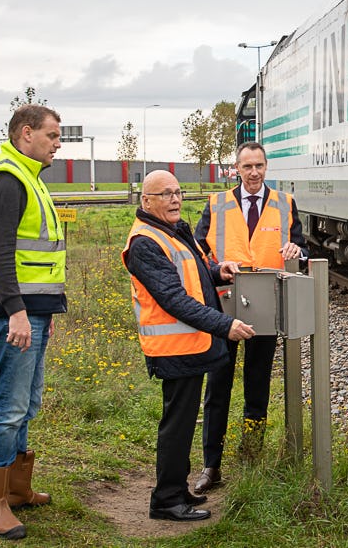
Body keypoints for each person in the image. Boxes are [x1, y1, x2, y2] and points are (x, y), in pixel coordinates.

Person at [123, 170, 255, 521]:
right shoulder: (145, 242)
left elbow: (192, 275)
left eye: (178, 192)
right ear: (146, 201)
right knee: (177, 424)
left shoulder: (171, 231)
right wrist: (226, 325)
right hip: (173, 348)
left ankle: (177, 490)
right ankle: (166, 500)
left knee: (181, 421)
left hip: (189, 344)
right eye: (165, 194)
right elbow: (173, 299)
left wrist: (217, 273)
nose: (175, 199)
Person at [0, 104, 66, 540]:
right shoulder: (8, 179)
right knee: (9, 407)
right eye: (52, 136)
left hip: (32, 310)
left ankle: (18, 488)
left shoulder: (28, 176)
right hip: (14, 313)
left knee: (27, 402)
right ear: (26, 134)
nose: (58, 144)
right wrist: (17, 312)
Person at [191, 141, 304, 493]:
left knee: (258, 385)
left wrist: (298, 250)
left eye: (259, 166)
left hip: (265, 307)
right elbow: (197, 254)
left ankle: (251, 456)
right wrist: (215, 267)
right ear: (236, 169)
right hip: (222, 308)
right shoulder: (217, 204)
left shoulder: (285, 204)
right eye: (247, 167)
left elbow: (301, 248)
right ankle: (212, 465)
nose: (253, 173)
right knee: (218, 386)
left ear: (266, 167)